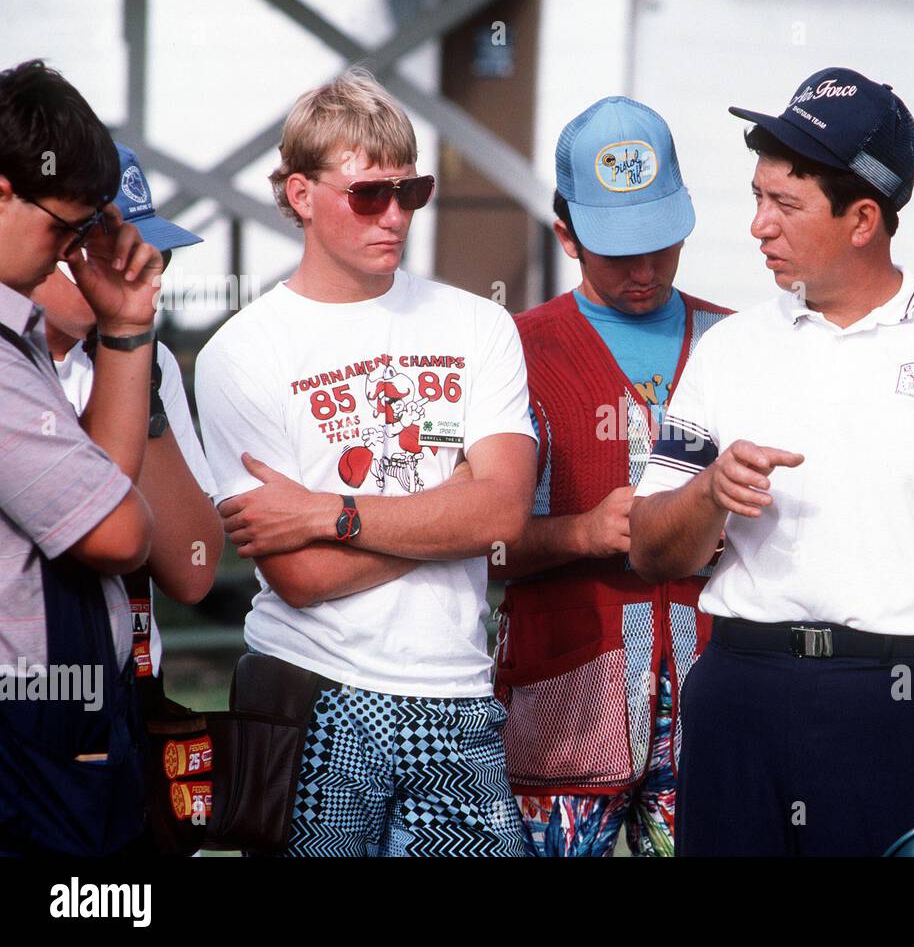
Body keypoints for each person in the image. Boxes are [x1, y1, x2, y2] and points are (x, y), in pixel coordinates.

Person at [628, 67, 914, 857]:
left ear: (863, 219)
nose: (757, 227)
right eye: (756, 197)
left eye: (784, 204)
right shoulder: (729, 348)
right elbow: (650, 549)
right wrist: (709, 491)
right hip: (740, 692)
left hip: (909, 703)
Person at [195, 67, 536, 857]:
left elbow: (503, 515)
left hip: (454, 693)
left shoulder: (480, 324)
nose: (394, 216)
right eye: (367, 195)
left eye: (409, 194)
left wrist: (330, 513)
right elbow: (301, 580)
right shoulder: (240, 353)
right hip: (314, 692)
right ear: (300, 194)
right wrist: (447, 509)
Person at [490, 96, 732, 857]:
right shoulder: (513, 351)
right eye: (617, 248)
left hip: (717, 698)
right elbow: (476, 542)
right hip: (564, 701)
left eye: (662, 242)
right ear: (565, 233)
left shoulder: (739, 344)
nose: (646, 268)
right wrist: (583, 532)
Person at [0, 59, 162, 855]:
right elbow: (118, 534)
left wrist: (126, 330)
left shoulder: (15, 339)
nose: (70, 252)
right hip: (22, 733)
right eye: (62, 225)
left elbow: (102, 488)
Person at [32, 143, 221, 689]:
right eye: (107, 251)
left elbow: (193, 571)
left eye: (153, 257)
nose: (140, 276)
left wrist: (132, 361)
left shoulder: (147, 357)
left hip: (127, 687)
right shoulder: (13, 356)